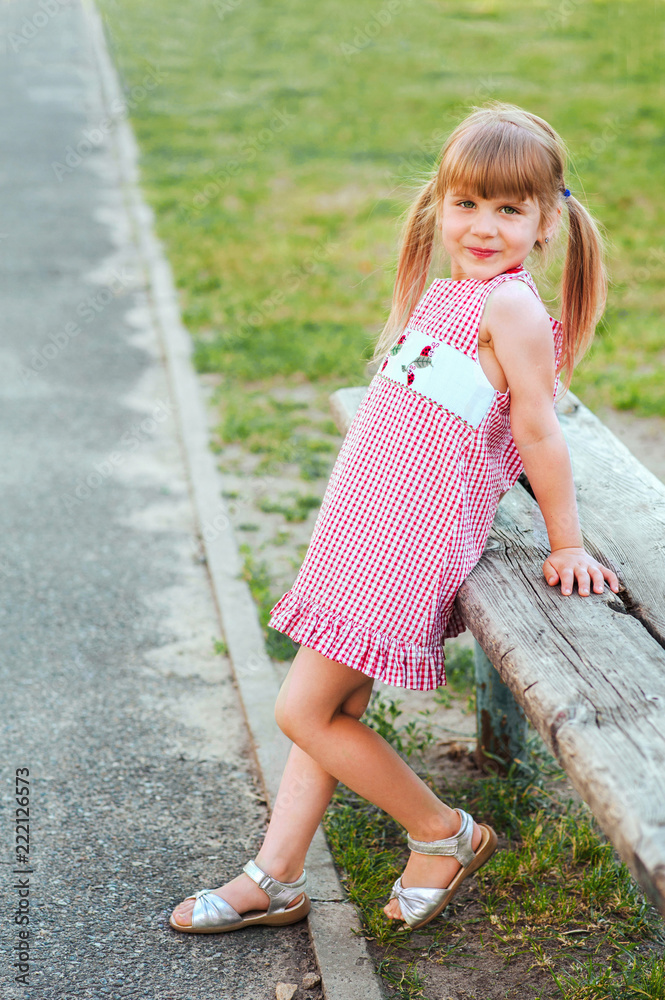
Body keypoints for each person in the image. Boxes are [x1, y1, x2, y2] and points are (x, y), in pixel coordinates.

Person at [169, 101, 621, 936]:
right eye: (466, 204)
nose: (482, 226)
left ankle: (440, 833)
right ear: (440, 202)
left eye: (508, 209)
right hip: (364, 528)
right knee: (330, 711)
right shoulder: (451, 293)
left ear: (546, 221)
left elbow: (537, 431)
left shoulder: (511, 310)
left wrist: (566, 543)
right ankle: (275, 876)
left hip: (404, 546)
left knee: (301, 712)